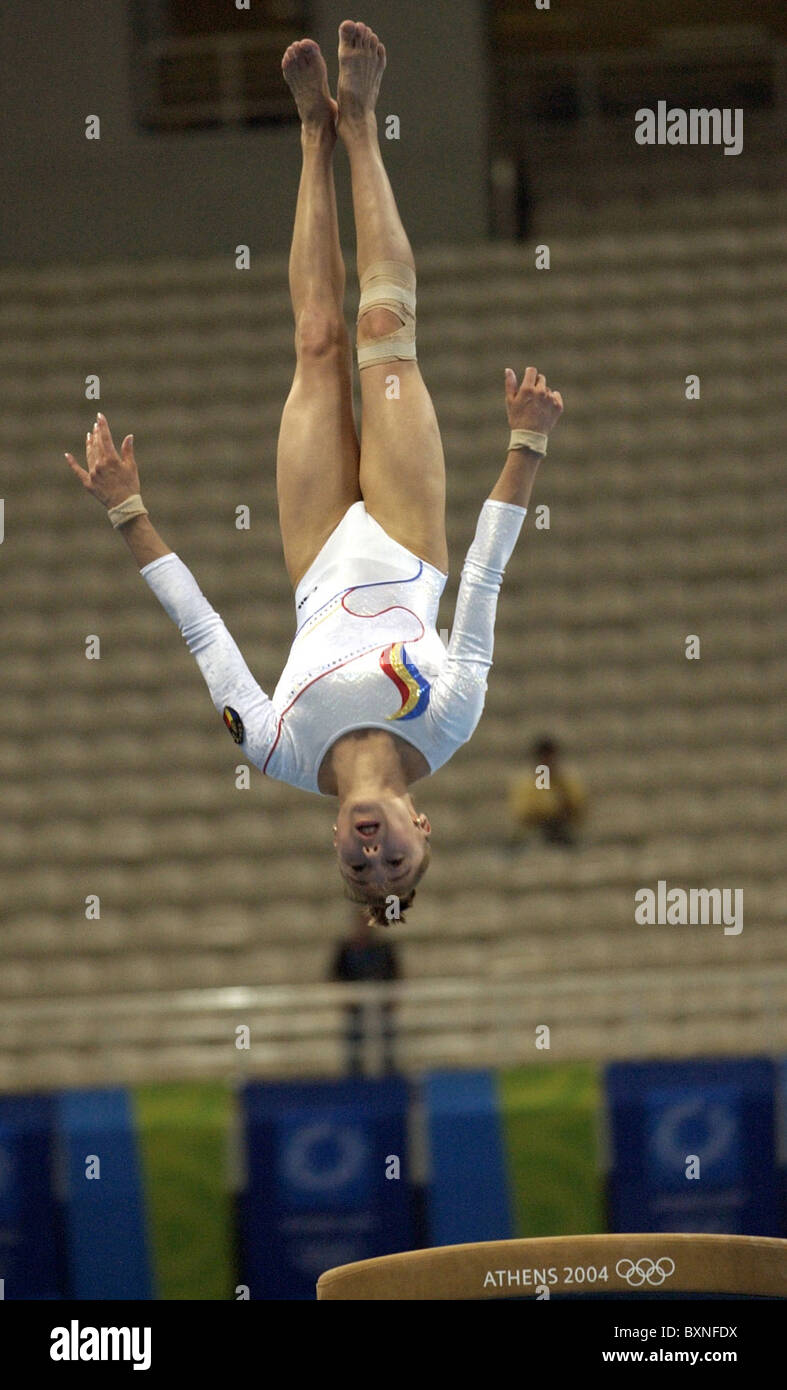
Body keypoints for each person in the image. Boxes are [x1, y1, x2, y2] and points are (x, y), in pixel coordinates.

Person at [65, 21, 563, 928]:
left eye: (358, 868)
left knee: (315, 341)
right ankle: (363, 123)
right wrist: (523, 448)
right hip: (410, 541)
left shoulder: (278, 750)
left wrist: (127, 511)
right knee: (383, 336)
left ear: (332, 842)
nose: (373, 852)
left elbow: (205, 635)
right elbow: (485, 578)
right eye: (395, 859)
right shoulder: (448, 723)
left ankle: (309, 134)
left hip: (317, 551)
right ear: (422, 823)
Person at [330, 907, 400, 1075]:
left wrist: (391, 998)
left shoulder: (384, 948)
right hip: (355, 1005)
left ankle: (389, 1074)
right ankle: (354, 1076)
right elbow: (335, 975)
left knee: (386, 1039)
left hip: (381, 1003)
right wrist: (344, 997)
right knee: (354, 1041)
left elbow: (396, 974)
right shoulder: (346, 949)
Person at [508, 736, 587, 847]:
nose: (548, 762)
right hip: (535, 831)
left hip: (562, 831)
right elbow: (522, 813)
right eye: (544, 758)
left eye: (551, 757)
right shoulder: (526, 783)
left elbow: (579, 809)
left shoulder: (567, 782)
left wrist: (562, 793)